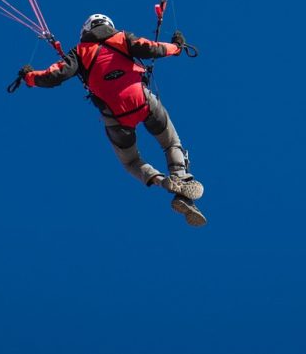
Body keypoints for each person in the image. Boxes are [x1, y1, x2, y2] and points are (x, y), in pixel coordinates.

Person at [19, 13, 206, 226]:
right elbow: (151, 48)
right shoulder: (121, 38)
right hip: (142, 101)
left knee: (131, 161)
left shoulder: (80, 52)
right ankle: (180, 177)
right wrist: (177, 47)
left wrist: (29, 77)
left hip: (115, 116)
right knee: (171, 142)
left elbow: (54, 76)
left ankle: (164, 182)